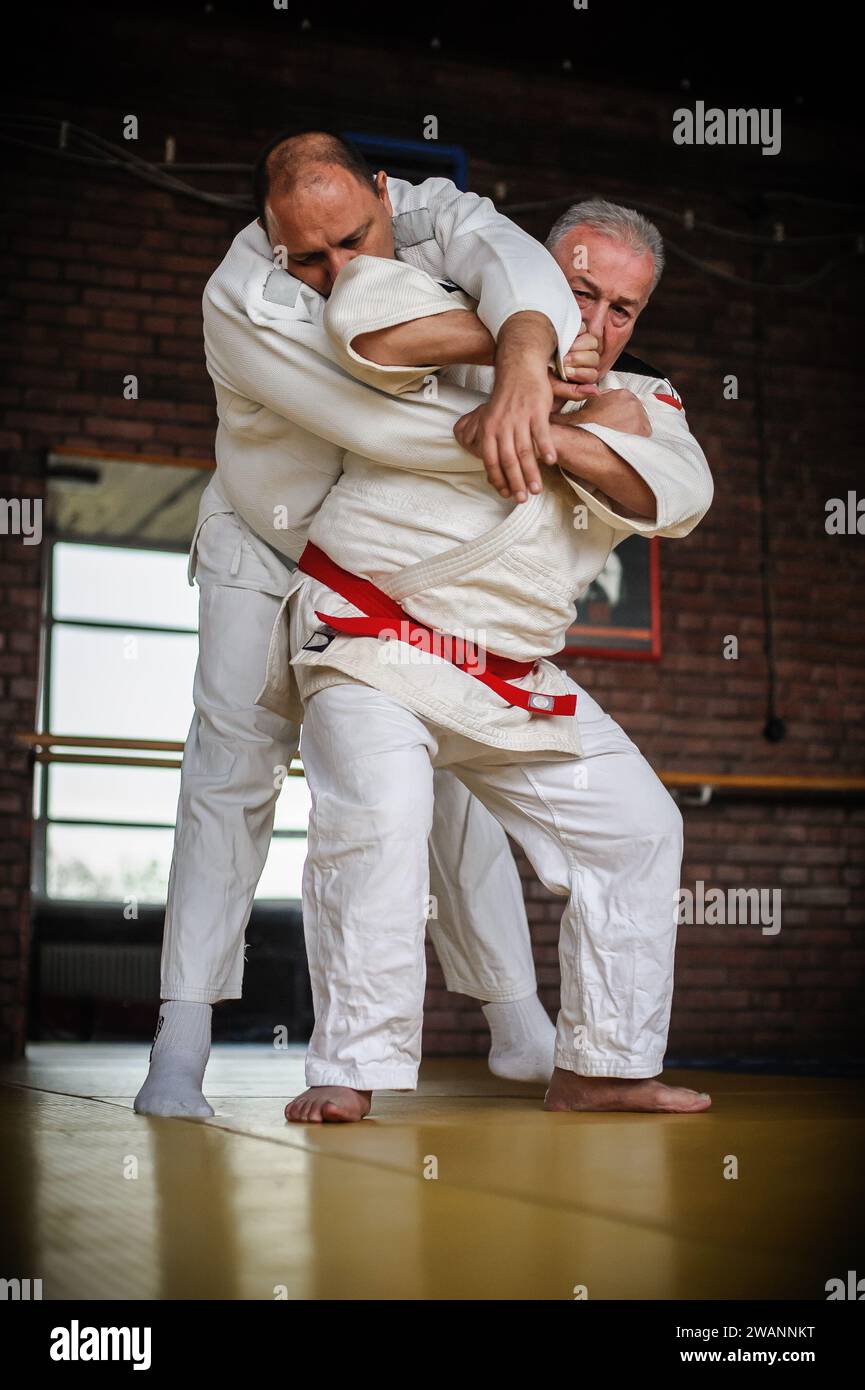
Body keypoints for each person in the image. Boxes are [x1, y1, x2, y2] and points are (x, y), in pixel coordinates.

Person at [134, 130, 598, 1118]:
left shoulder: (432, 210)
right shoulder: (243, 299)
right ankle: (179, 1046)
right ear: (269, 233)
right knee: (228, 773)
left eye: (353, 239)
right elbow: (391, 417)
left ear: (385, 193)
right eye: (308, 255)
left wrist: (522, 350)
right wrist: (527, 368)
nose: (336, 271)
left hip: (381, 554)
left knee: (444, 761)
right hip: (263, 544)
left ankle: (517, 1023)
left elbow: (526, 273)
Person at [248, 200, 715, 1122]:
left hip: (512, 677)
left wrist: (556, 428)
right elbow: (361, 336)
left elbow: (679, 496)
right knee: (381, 816)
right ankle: (350, 1067)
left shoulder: (648, 404)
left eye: (623, 310)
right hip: (371, 637)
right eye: (580, 291)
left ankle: (601, 1069)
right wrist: (519, 360)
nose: (598, 322)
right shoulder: (442, 320)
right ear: (536, 272)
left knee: (640, 829)